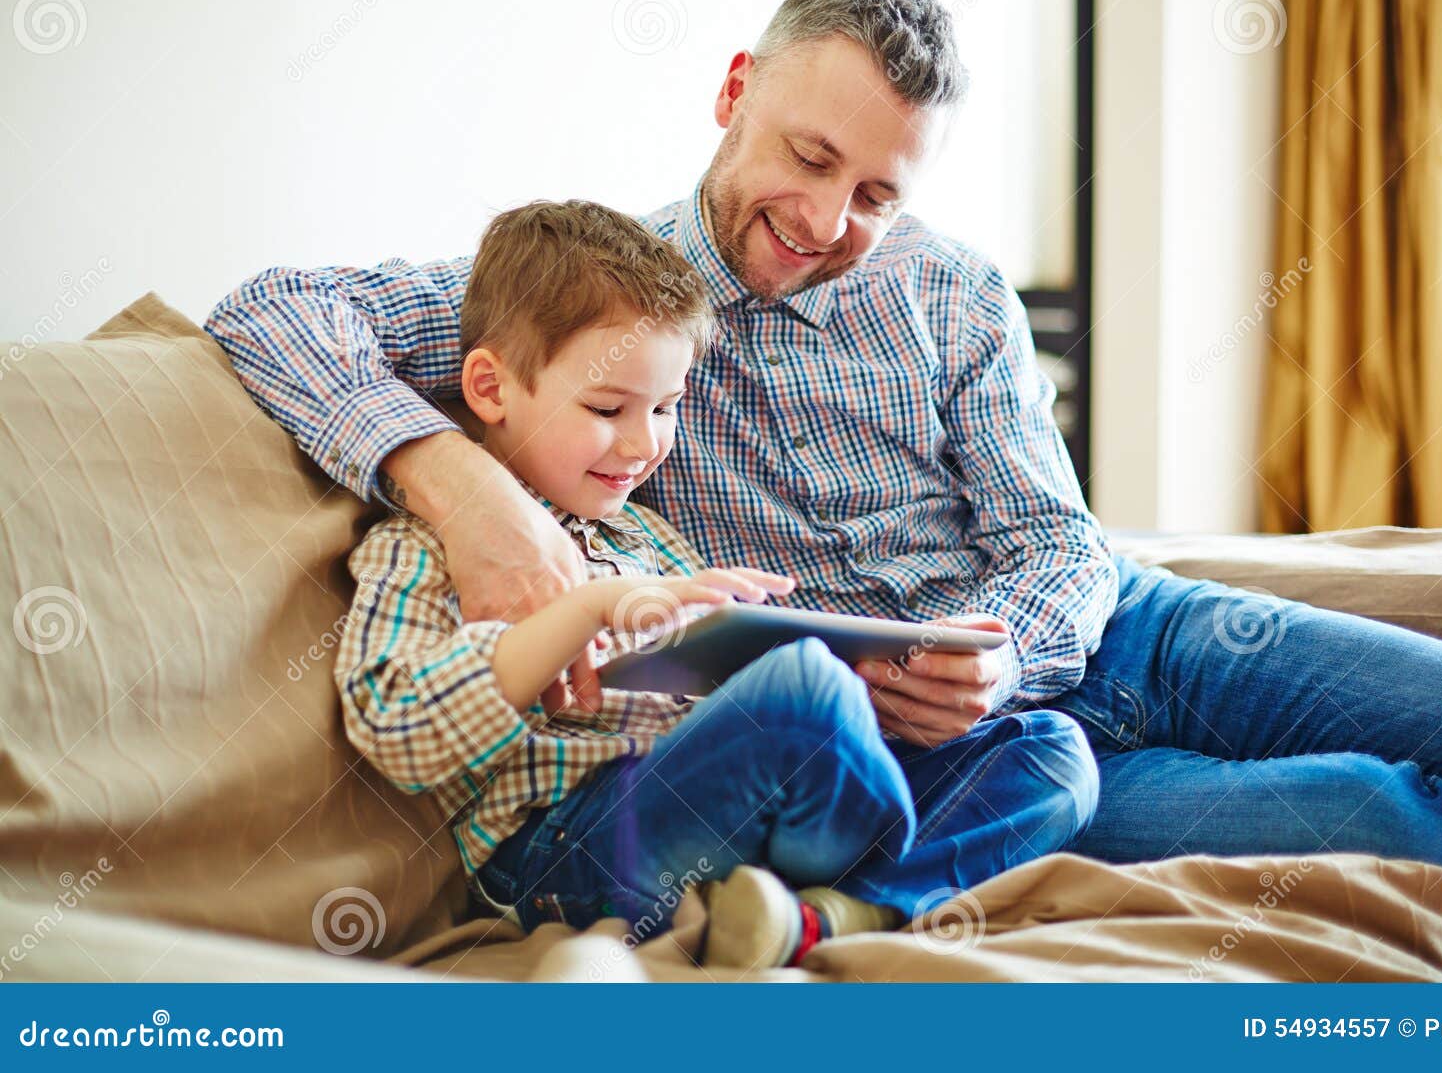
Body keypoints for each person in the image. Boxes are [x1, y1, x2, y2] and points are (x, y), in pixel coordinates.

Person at [212, 0, 1442, 981]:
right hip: (951, 757)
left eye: (877, 194)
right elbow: (270, 311)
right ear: (736, 94)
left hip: (1127, 638)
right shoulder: (596, 311)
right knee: (1409, 823)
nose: (825, 222)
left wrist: (1009, 651)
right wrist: (458, 482)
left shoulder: (947, 287)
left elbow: (1055, 542)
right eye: (809, 159)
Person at [331, 198, 1100, 969]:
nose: (642, 444)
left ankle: (830, 917)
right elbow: (397, 724)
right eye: (607, 408)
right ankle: (875, 885)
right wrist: (587, 610)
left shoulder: (646, 537)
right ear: (492, 389)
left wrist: (748, 644)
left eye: (667, 408)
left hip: (741, 821)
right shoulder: (422, 543)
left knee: (1052, 750)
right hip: (571, 849)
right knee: (803, 694)